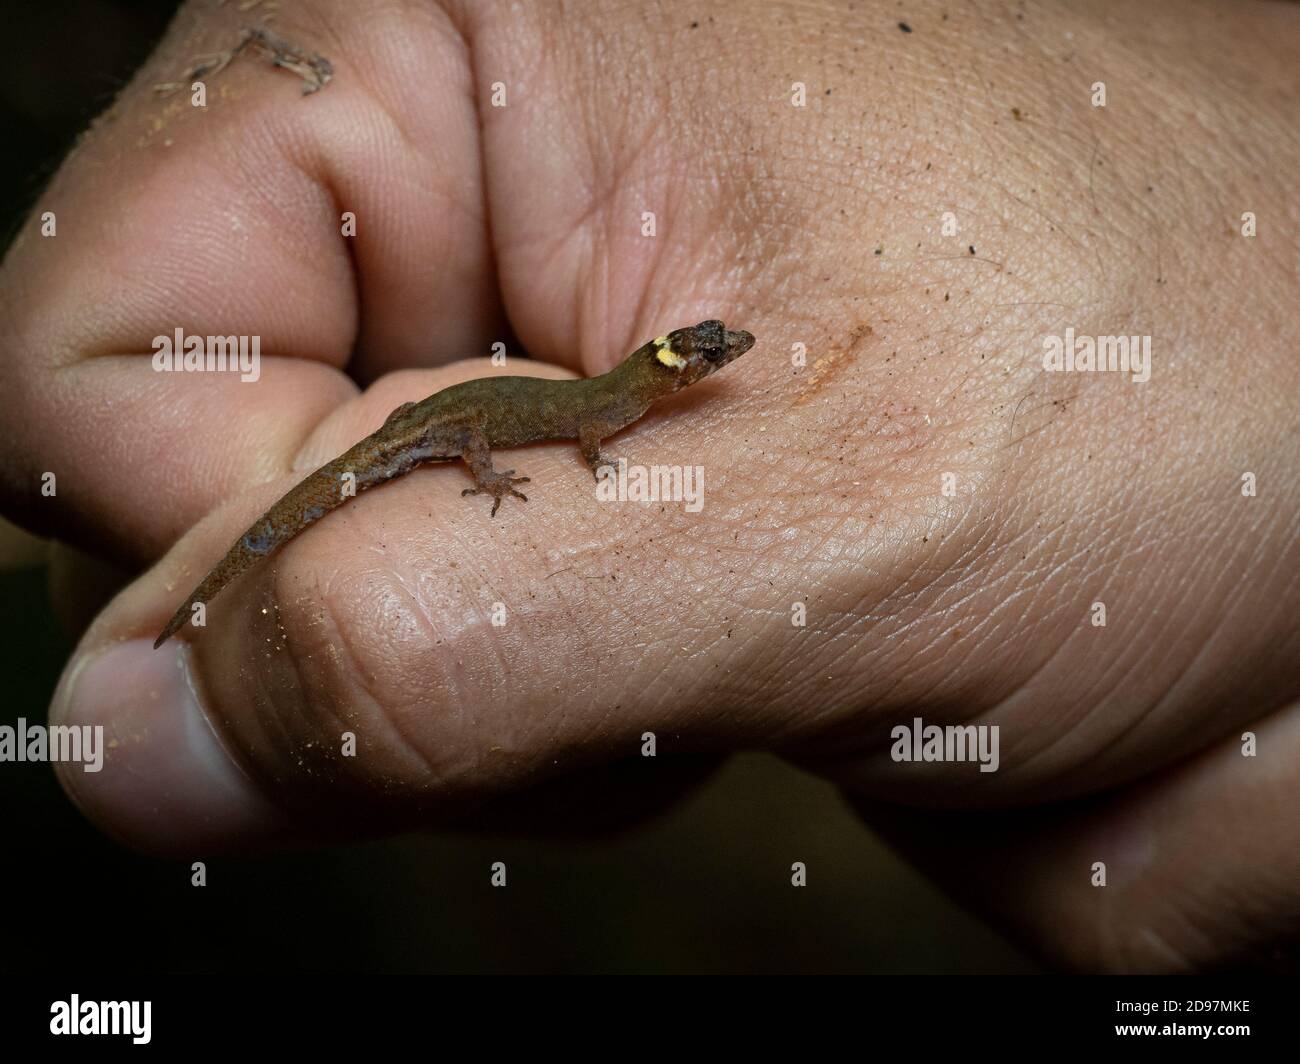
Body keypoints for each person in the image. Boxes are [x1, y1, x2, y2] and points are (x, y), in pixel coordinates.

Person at [1, 0, 1296, 972]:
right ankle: (208, 597)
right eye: (705, 357)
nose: (716, 368)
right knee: (351, 486)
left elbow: (604, 421)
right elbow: (574, 435)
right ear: (669, 370)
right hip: (446, 437)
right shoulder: (609, 406)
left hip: (477, 422)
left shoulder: (626, 391)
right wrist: (495, 468)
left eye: (707, 358)